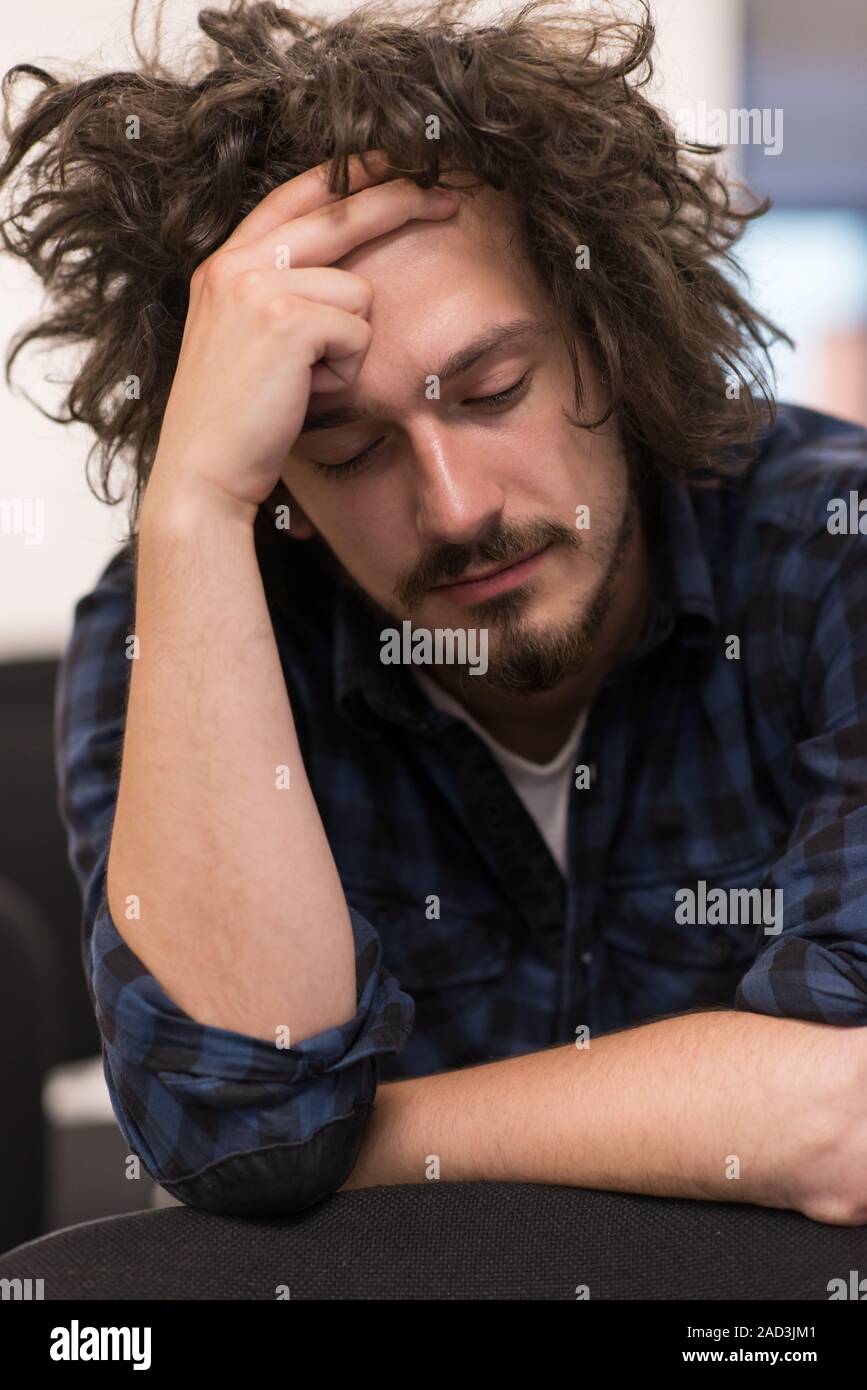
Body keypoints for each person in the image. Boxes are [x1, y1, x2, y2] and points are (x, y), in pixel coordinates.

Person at [3, 0, 866, 1226]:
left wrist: (345, 1139)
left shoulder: (838, 549)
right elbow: (235, 1119)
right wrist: (192, 502)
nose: (457, 510)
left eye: (493, 388)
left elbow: (851, 1114)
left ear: (614, 338)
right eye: (347, 452)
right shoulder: (192, 605)